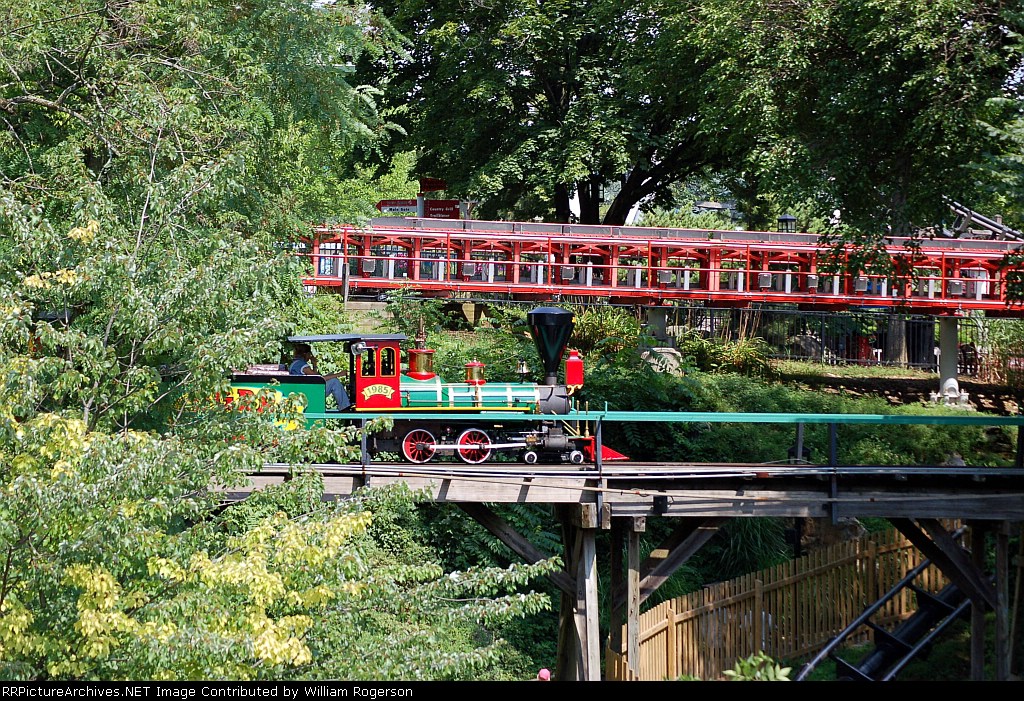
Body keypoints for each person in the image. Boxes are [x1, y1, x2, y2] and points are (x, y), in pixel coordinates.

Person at [289, 343, 350, 411]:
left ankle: (344, 406)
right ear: (305, 354)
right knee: (334, 382)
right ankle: (345, 407)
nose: (310, 357)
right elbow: (318, 379)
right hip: (308, 393)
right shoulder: (301, 365)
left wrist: (314, 364)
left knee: (331, 377)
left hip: (305, 391)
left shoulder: (295, 363)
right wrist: (339, 374)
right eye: (310, 354)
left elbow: (315, 376)